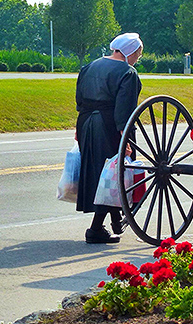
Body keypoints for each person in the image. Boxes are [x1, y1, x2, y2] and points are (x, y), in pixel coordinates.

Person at [75, 32, 143, 243]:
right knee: (111, 174)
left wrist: (79, 126)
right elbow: (125, 110)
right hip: (108, 124)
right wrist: (127, 139)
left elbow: (79, 99)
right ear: (129, 52)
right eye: (137, 55)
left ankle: (115, 221)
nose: (137, 59)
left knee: (98, 170)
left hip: (86, 122)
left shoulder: (90, 66)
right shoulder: (127, 72)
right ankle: (95, 229)